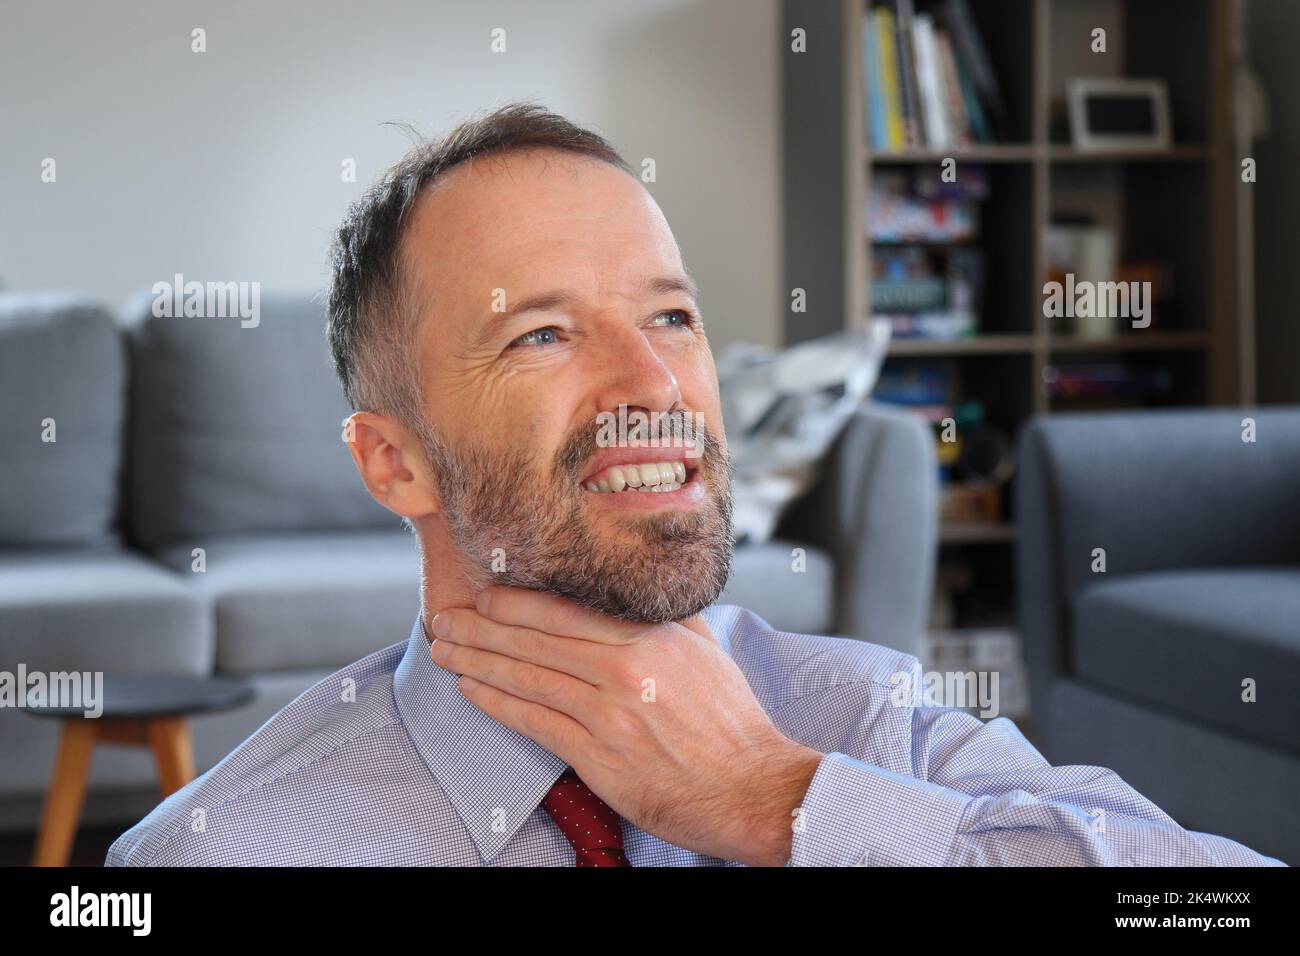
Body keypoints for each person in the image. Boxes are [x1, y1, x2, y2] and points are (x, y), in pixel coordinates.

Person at [107, 103, 1284, 866]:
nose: (657, 381)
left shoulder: (857, 722)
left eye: (672, 314)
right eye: (544, 335)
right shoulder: (224, 849)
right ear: (391, 460)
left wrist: (778, 801)